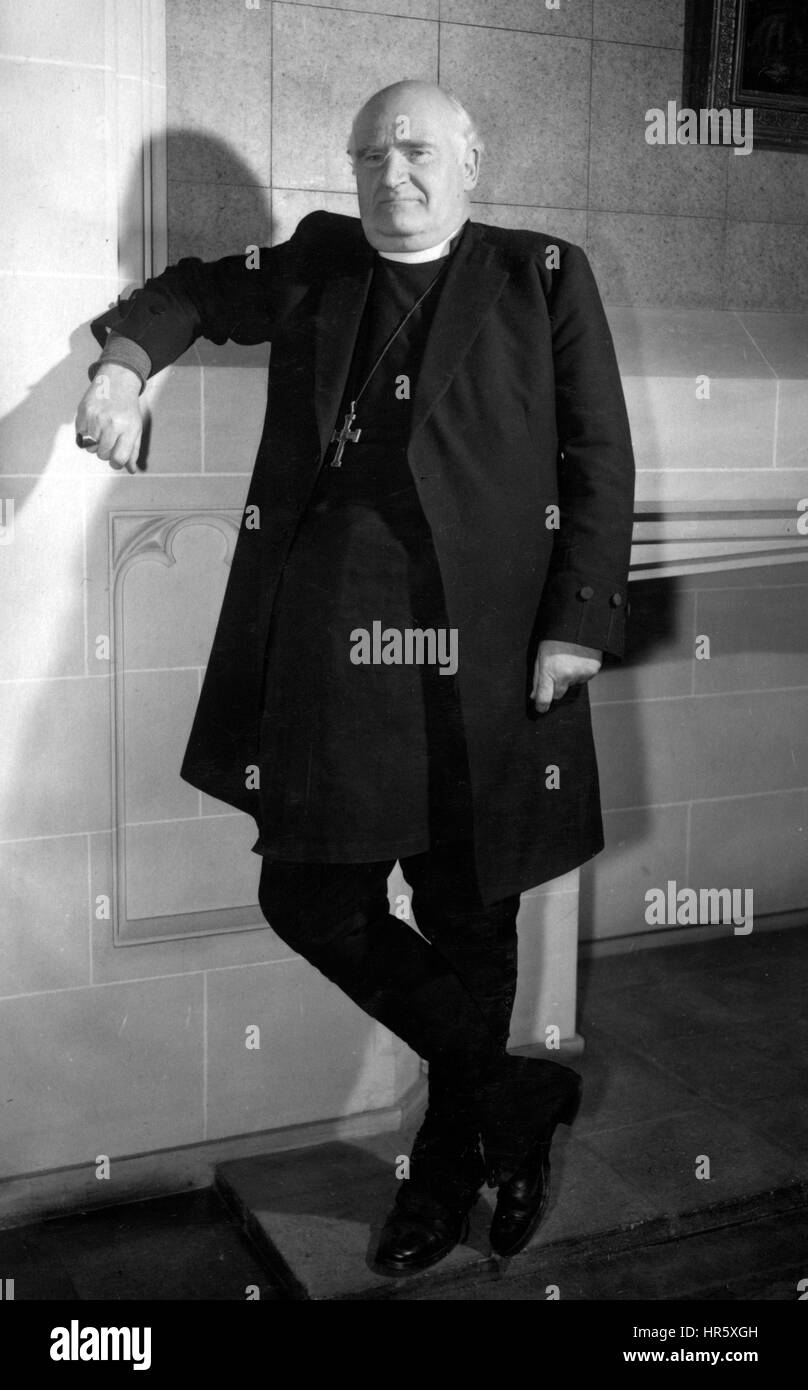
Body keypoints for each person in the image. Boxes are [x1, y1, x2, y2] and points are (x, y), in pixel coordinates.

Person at [76, 80, 635, 1276]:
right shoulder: (321, 262)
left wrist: (575, 621)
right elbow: (187, 294)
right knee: (309, 900)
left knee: (471, 925)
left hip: (484, 665)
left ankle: (445, 1170)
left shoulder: (541, 271)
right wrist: (122, 370)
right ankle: (517, 1098)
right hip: (333, 661)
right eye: (370, 152)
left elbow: (598, 453)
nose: (393, 172)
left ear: (473, 159)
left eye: (419, 148)